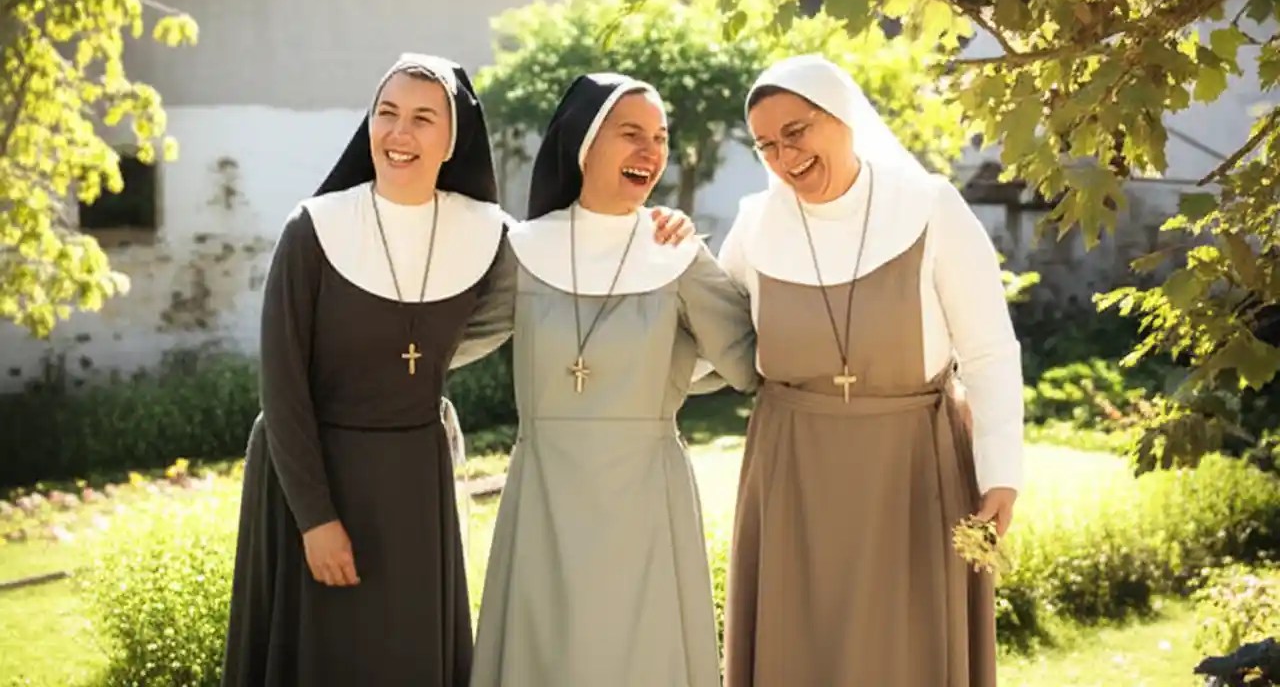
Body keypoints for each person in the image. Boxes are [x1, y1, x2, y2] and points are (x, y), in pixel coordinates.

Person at [219, 54, 692, 687]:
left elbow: (567, 273)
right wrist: (315, 518)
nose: (399, 134)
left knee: (409, 655)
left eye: (421, 118)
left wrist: (656, 227)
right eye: (386, 114)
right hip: (311, 472)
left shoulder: (490, 236)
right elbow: (281, 386)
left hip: (415, 477)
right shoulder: (314, 228)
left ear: (453, 139)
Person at [718, 54, 1024, 687]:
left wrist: (1000, 475)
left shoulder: (931, 206)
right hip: (792, 476)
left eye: (796, 133)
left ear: (843, 117)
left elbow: (990, 351)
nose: (783, 157)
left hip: (913, 470)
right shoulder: (755, 224)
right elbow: (712, 343)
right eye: (767, 145)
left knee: (904, 652)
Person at [469, 73, 760, 687]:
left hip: (645, 496)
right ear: (583, 144)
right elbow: (444, 342)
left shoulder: (677, 253)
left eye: (660, 138)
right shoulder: (522, 252)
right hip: (546, 490)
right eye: (632, 134)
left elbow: (751, 363)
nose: (651, 153)